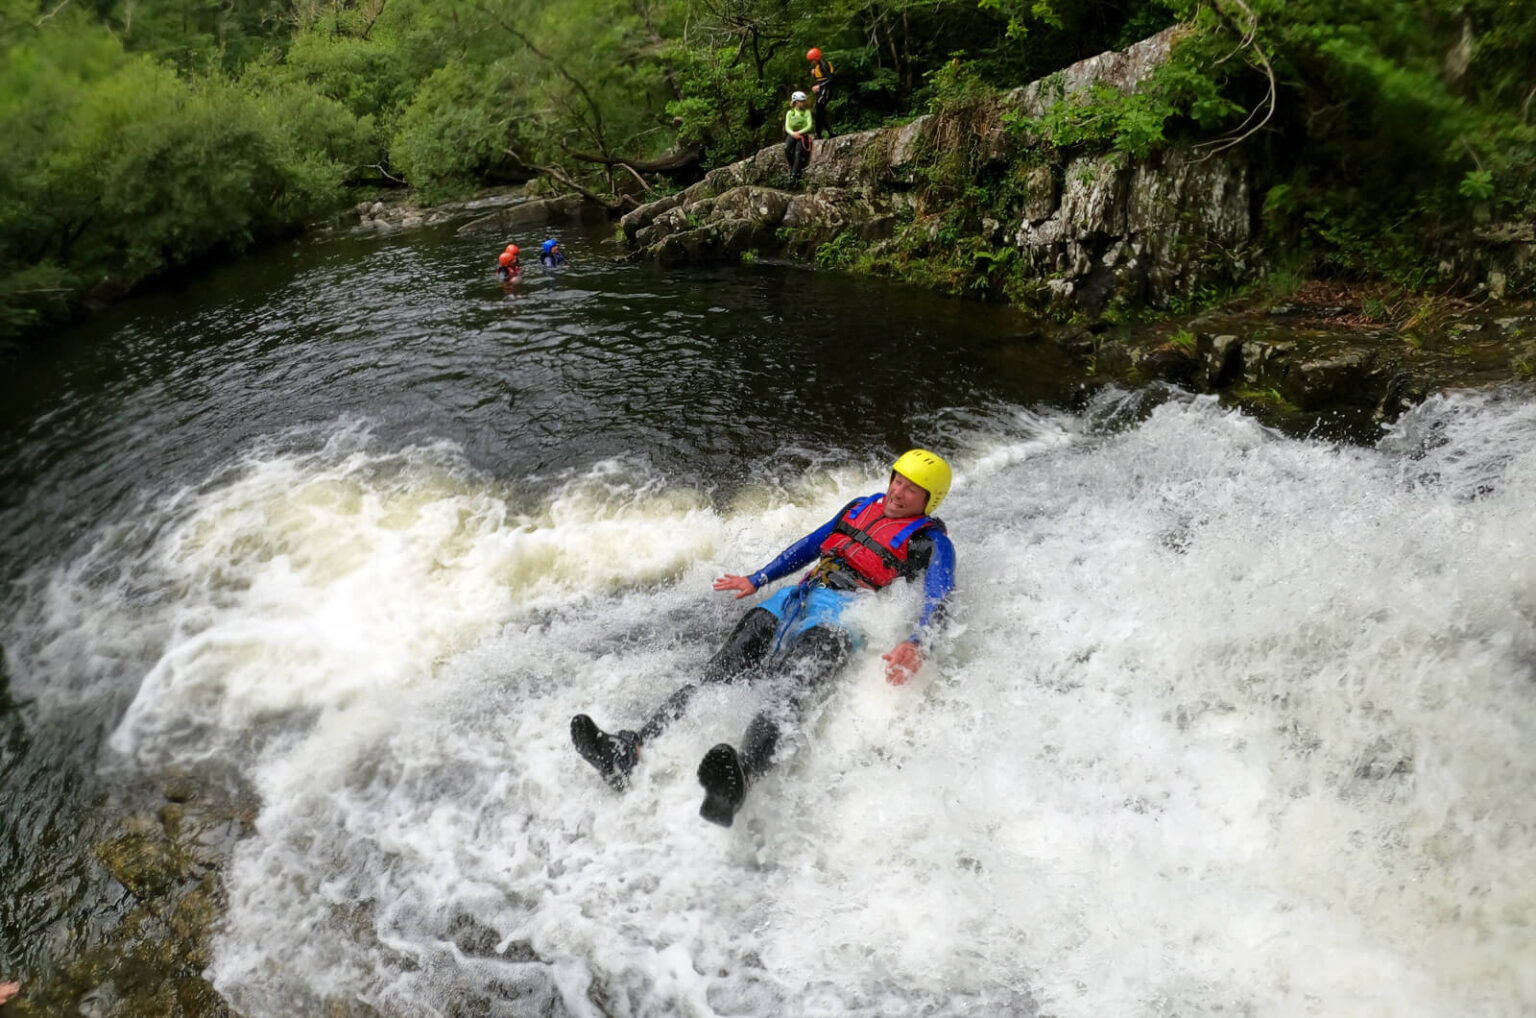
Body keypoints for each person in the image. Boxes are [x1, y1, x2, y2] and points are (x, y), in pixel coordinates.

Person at [571, 449, 957, 827]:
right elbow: (811, 544)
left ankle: (743, 777)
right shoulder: (861, 507)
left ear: (929, 500)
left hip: (846, 615)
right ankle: (629, 751)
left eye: (911, 489)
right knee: (718, 671)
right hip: (797, 597)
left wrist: (917, 642)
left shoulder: (930, 543)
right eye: (897, 480)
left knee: (787, 690)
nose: (897, 491)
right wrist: (759, 578)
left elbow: (940, 599)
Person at [783, 91, 815, 185]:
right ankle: (795, 169)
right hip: (792, 134)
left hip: (802, 135)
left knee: (798, 153)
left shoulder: (807, 113)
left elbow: (809, 126)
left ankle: (793, 176)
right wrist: (793, 133)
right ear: (796, 102)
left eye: (803, 101)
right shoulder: (790, 113)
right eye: (801, 101)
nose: (803, 103)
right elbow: (787, 127)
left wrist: (799, 132)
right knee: (787, 149)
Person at [806, 47, 836, 140]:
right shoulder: (818, 66)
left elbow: (831, 79)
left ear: (816, 58)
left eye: (812, 60)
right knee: (818, 111)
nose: (811, 63)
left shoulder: (824, 64)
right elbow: (821, 77)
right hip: (822, 91)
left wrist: (820, 86)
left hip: (825, 91)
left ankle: (823, 134)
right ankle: (825, 133)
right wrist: (814, 74)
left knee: (818, 110)